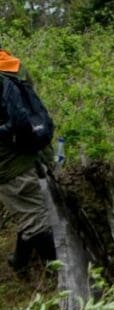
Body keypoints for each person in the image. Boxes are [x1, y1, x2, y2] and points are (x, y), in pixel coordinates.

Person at [0, 44, 56, 277]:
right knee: (34, 211)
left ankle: (63, 274)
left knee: (35, 219)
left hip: (11, 166)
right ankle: (20, 262)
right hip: (37, 151)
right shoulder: (12, 65)